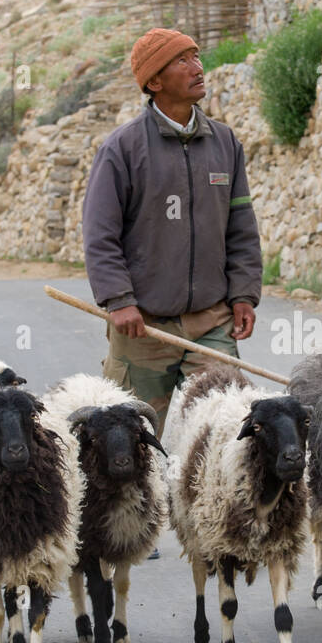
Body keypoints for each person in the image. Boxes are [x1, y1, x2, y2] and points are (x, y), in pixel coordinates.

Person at [81, 28, 261, 444]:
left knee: (229, 435)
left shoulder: (225, 143)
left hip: (211, 322)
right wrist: (119, 300)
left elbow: (242, 227)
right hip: (142, 327)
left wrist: (243, 294)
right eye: (183, 61)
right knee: (128, 443)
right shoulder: (121, 149)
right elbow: (100, 234)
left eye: (196, 57)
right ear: (155, 82)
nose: (198, 68)